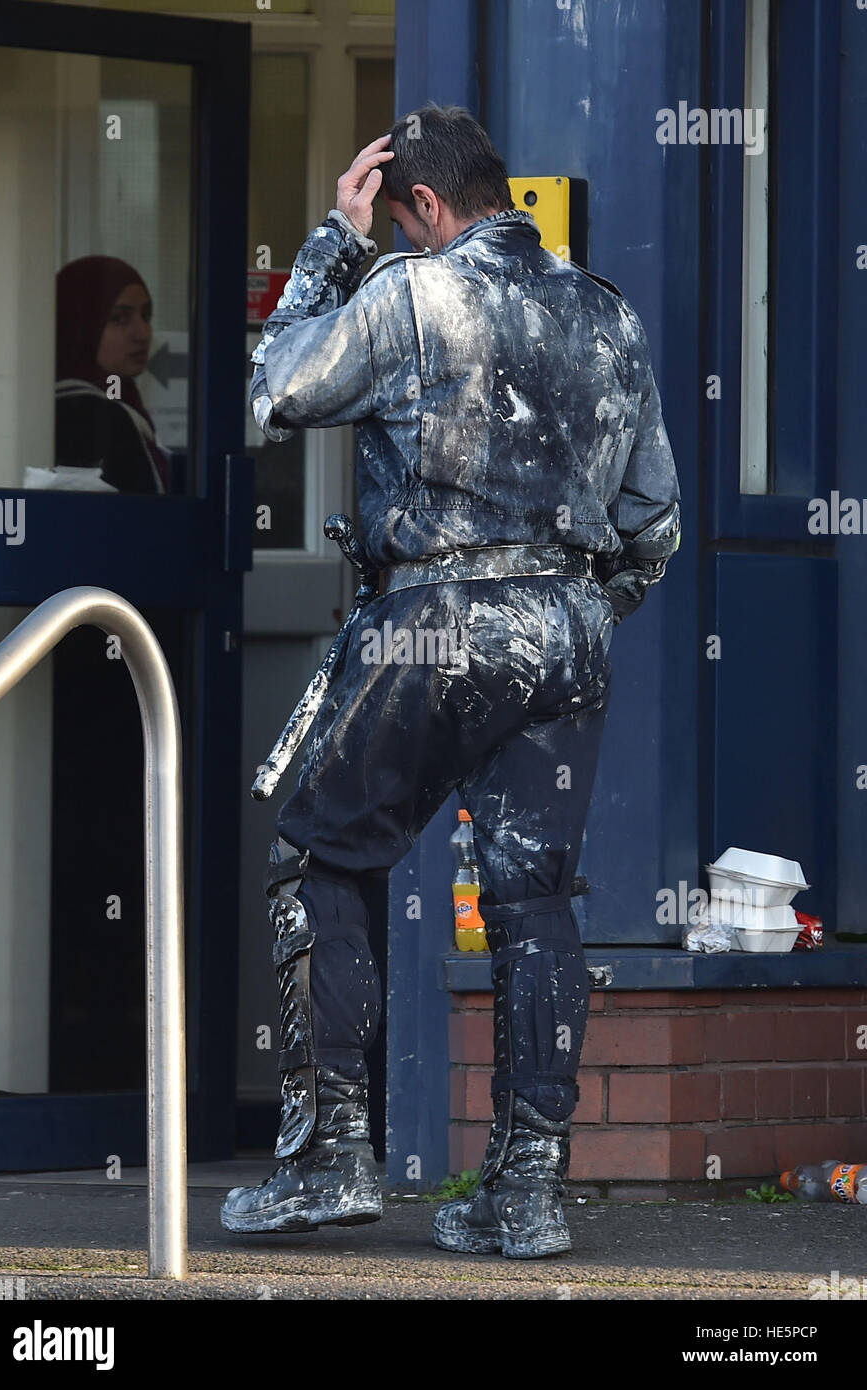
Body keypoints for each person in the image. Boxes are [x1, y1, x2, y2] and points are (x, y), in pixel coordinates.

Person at [221, 104, 680, 1257]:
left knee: (319, 850)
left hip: (433, 618)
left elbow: (270, 389)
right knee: (533, 902)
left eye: (399, 218)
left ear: (421, 204)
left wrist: (334, 238)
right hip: (569, 626)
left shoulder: (414, 292)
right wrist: (567, 610)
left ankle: (328, 1159)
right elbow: (654, 525)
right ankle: (525, 1194)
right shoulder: (604, 313)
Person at [30, 255, 169, 493]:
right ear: (78, 324)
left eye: (145, 316)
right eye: (119, 319)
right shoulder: (84, 413)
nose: (142, 333)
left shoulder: (117, 405)